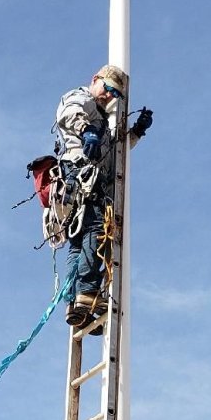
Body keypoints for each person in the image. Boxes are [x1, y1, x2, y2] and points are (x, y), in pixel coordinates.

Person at [53, 66, 151, 331]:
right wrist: (86, 130)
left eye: (115, 94)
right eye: (107, 89)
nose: (109, 96)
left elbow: (116, 154)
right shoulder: (81, 99)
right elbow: (68, 114)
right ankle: (87, 292)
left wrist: (137, 133)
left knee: (79, 242)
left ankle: (77, 304)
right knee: (97, 230)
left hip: (88, 181)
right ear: (95, 80)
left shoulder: (103, 124)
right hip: (82, 177)